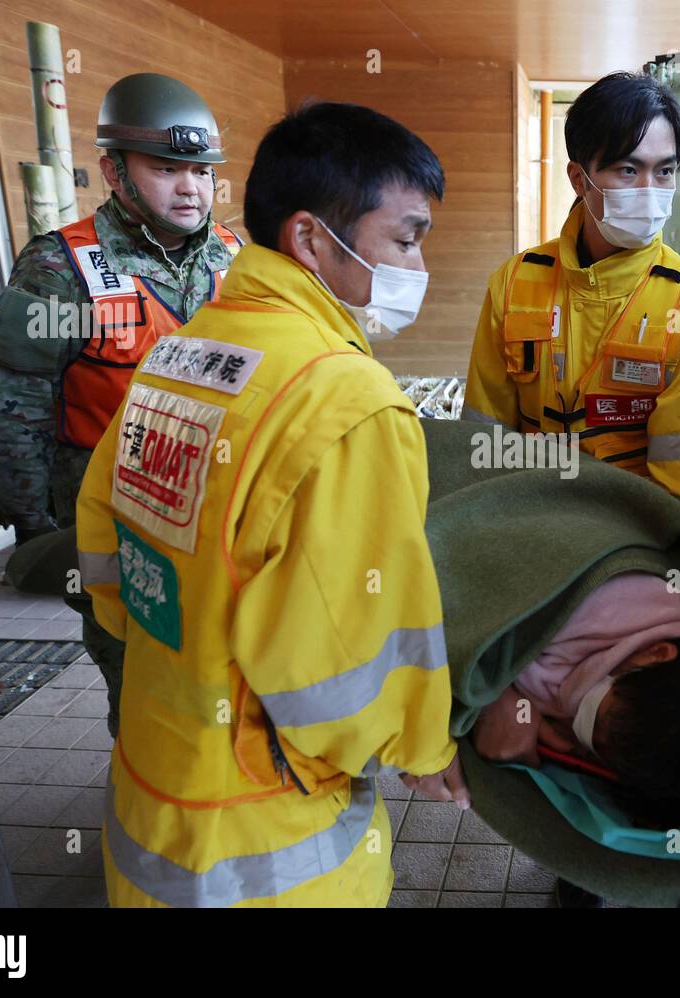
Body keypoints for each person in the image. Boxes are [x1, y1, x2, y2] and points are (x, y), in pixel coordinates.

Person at [74, 101, 466, 907]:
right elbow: (343, 657)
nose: (419, 267)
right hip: (271, 838)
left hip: (155, 787)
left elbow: (107, 566)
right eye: (406, 238)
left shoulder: (180, 353)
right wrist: (421, 747)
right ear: (311, 237)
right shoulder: (345, 400)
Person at [0, 73, 242, 737]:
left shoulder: (236, 258)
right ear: (114, 173)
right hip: (109, 518)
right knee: (137, 676)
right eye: (166, 169)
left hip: (221, 511)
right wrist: (37, 533)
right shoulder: (60, 268)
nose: (191, 188)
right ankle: (148, 813)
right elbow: (13, 406)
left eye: (202, 172)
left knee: (226, 666)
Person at [464, 72, 680, 509]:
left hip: (634, 535)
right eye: (628, 169)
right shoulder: (515, 283)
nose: (650, 190)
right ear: (579, 179)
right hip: (521, 509)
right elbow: (484, 433)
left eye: (664, 171)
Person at [470, 571, 680, 829]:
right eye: (595, 718)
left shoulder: (650, 709)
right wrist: (500, 698)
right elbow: (470, 622)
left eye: (598, 750)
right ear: (656, 653)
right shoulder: (597, 603)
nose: (579, 736)